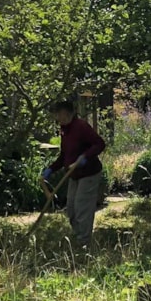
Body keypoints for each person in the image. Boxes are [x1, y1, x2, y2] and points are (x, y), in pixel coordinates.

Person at [42, 99, 106, 246]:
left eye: (59, 115)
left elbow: (100, 144)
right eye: (56, 116)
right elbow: (64, 155)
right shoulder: (65, 130)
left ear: (67, 113)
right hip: (74, 175)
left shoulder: (81, 126)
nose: (57, 118)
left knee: (81, 207)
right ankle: (79, 237)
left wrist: (85, 157)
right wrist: (51, 169)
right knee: (71, 209)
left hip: (89, 173)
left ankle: (84, 243)